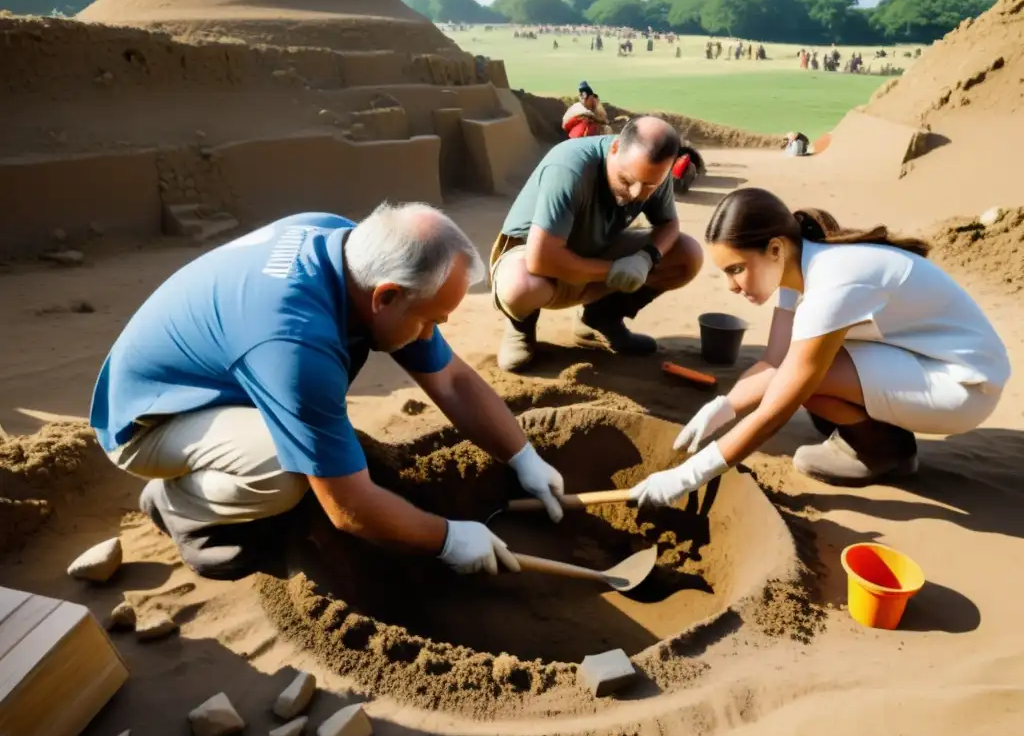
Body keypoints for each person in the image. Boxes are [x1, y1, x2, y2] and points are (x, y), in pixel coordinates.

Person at [89, 203, 567, 581]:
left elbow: (451, 379)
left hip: (229, 372)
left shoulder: (348, 245)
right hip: (150, 419)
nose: (431, 335)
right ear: (385, 296)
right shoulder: (297, 346)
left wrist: (523, 457)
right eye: (429, 320)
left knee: (323, 442)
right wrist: (446, 539)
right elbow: (350, 509)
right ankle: (180, 508)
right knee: (284, 472)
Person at [629, 187, 1010, 504]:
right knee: (799, 367)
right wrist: (721, 408)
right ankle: (887, 438)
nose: (731, 285)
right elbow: (772, 362)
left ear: (775, 250)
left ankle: (881, 453)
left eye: (737, 269)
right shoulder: (798, 269)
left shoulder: (832, 283)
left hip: (964, 385)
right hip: (923, 360)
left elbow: (778, 405)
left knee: (807, 375)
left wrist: (688, 475)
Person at [489, 116, 704, 372]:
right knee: (521, 286)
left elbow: (669, 225)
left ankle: (601, 318)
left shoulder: (656, 172)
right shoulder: (569, 167)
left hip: (598, 248)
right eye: (626, 180)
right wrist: (614, 270)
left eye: (649, 186)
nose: (636, 194)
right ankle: (520, 327)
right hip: (537, 261)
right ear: (614, 148)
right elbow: (541, 258)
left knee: (686, 255)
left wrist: (645, 258)